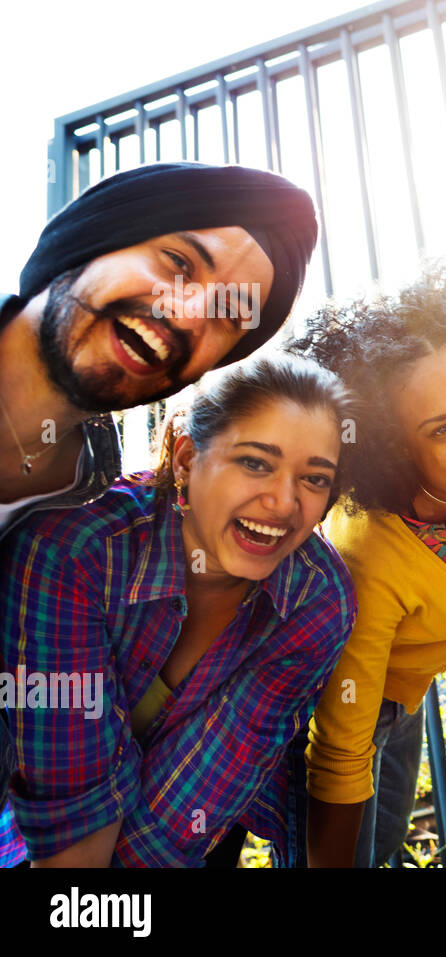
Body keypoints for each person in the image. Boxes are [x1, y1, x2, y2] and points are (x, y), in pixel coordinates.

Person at [0, 161, 318, 809]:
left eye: (231, 317)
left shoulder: (101, 509)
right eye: (177, 262)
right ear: (95, 236)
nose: (187, 314)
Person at [0, 352, 356, 866]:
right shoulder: (78, 548)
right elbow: (70, 811)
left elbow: (200, 793)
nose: (284, 502)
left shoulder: (317, 599)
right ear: (186, 459)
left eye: (314, 478)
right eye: (255, 462)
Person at [283, 258, 446, 867]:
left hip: (403, 700)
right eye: (442, 429)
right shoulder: (366, 556)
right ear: (394, 445)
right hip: (337, 710)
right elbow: (339, 749)